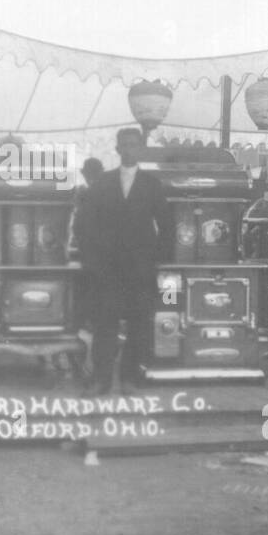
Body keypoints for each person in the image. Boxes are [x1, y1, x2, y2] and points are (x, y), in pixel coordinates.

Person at [79, 130, 172, 395]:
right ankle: (101, 380)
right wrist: (92, 261)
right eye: (125, 145)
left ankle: (129, 378)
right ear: (118, 148)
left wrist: (155, 262)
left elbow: (167, 226)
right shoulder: (103, 183)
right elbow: (84, 225)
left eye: (135, 145)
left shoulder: (152, 185)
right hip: (108, 271)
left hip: (140, 272)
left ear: (141, 149)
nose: (130, 150)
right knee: (105, 326)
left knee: (138, 327)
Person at [69, 157, 105, 330]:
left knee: (87, 285)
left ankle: (85, 320)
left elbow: (78, 225)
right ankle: (89, 319)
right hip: (95, 252)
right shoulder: (86, 193)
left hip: (93, 253)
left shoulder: (88, 194)